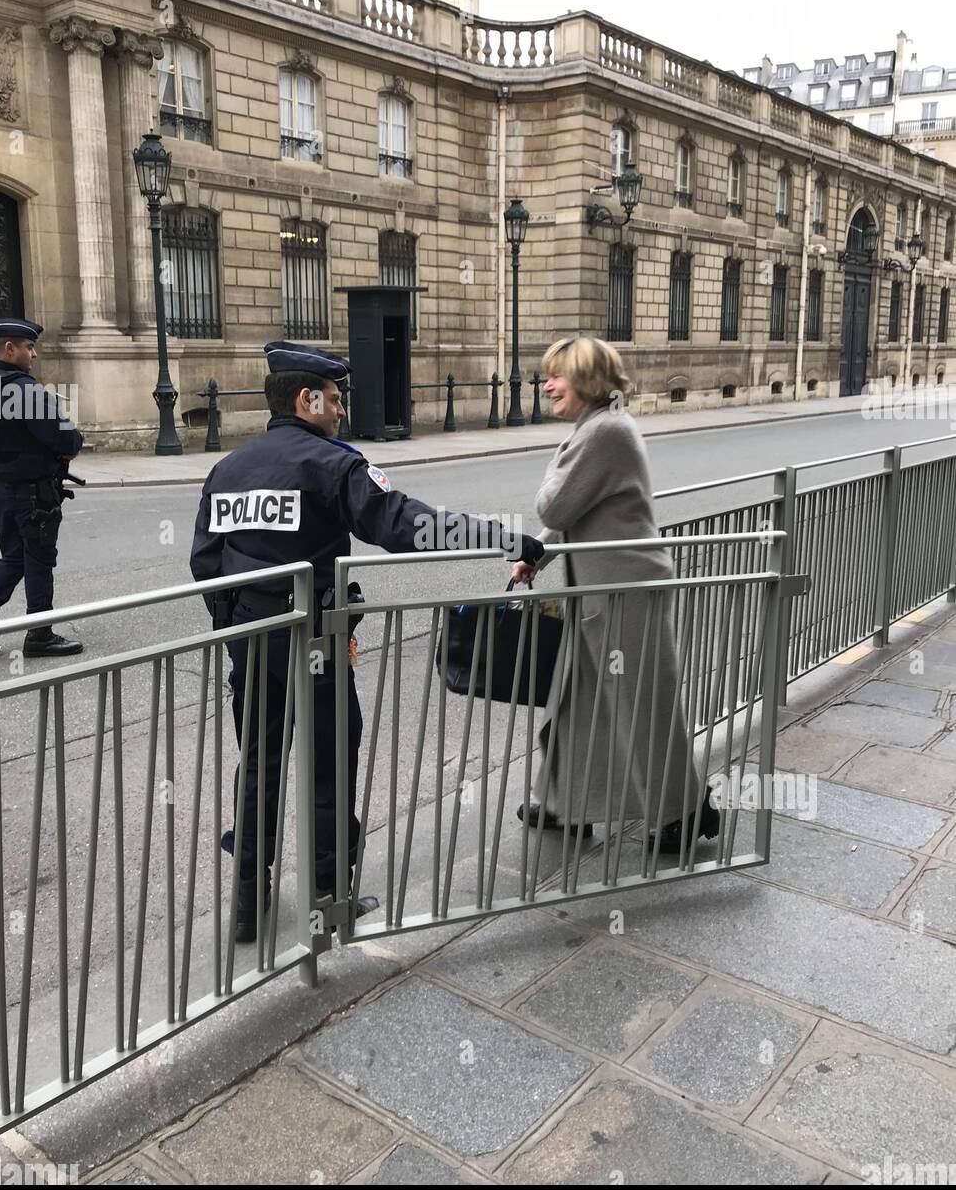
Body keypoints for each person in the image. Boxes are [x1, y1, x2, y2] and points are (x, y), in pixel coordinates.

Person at [190, 343, 544, 941]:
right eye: (335, 398)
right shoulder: (334, 464)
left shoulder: (229, 469)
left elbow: (204, 562)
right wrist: (504, 538)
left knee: (259, 761)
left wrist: (238, 636)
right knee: (329, 762)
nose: (342, 410)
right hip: (314, 642)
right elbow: (407, 524)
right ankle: (328, 898)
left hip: (252, 639)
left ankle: (249, 901)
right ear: (307, 400)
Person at [513, 335, 719, 854]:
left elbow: (555, 508)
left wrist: (548, 494)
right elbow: (583, 516)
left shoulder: (603, 433)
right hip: (602, 593)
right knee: (576, 703)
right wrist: (539, 554)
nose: (548, 385)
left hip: (626, 592)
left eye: (557, 376)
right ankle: (567, 806)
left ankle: (686, 814)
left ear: (587, 380)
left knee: (642, 705)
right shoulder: (597, 429)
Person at [0, 318, 84, 659]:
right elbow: (67, 439)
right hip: (32, 492)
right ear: (9, 349)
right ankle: (40, 633)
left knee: (13, 557)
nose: (34, 354)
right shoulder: (26, 392)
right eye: (28, 347)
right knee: (38, 558)